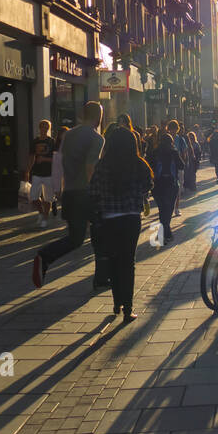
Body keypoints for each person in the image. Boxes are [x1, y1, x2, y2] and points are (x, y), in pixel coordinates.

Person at [32, 102, 104, 288]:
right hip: (87, 193)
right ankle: (101, 279)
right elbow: (90, 167)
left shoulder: (69, 134)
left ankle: (45, 256)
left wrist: (58, 189)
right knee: (101, 234)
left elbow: (58, 162)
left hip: (70, 193)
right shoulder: (96, 138)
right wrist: (96, 194)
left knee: (75, 239)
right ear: (98, 117)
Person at [88, 126, 155, 323]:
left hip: (109, 218)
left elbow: (93, 191)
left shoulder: (103, 165)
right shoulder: (138, 164)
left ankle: (117, 302)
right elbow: (148, 185)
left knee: (114, 260)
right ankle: (128, 308)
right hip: (131, 217)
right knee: (128, 261)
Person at [146, 129, 183, 243]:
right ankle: (165, 232)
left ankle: (164, 234)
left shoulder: (154, 152)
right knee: (168, 208)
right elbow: (182, 165)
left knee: (162, 208)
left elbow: (148, 167)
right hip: (171, 184)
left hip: (158, 185)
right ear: (171, 142)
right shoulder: (174, 152)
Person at [25, 120, 57, 227]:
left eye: (46, 127)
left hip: (49, 173)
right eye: (42, 126)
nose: (44, 128)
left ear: (49, 128)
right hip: (37, 172)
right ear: (39, 128)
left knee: (48, 198)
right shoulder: (35, 142)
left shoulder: (52, 142)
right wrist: (27, 170)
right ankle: (41, 213)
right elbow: (31, 157)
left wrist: (44, 159)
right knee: (33, 196)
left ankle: (45, 218)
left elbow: (56, 159)